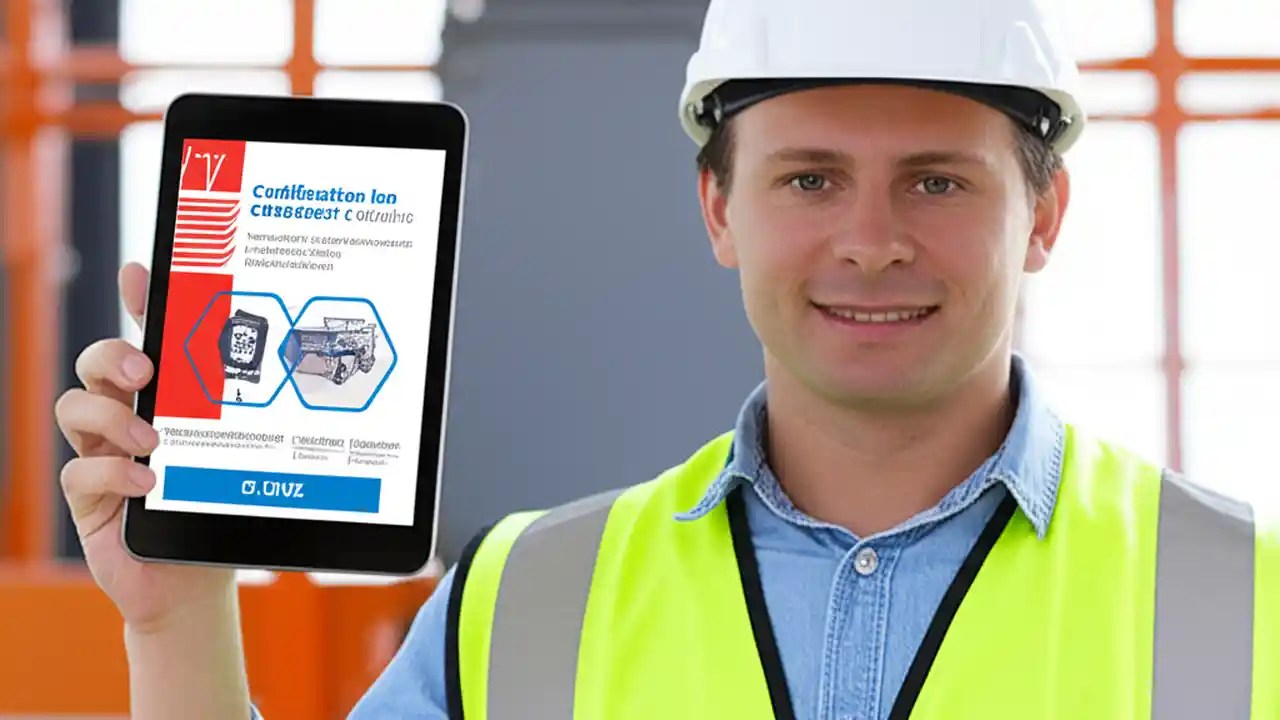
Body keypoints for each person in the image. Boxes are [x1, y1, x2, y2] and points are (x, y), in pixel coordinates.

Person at [54, 1, 1278, 718]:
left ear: (1044, 217)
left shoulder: (1248, 604)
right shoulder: (517, 603)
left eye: (935, 181)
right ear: (717, 211)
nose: (868, 241)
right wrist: (176, 628)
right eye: (807, 179)